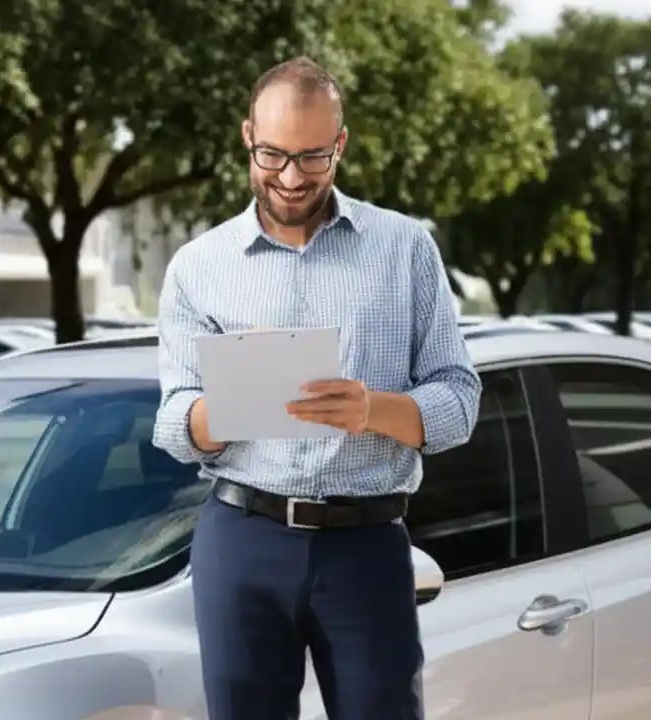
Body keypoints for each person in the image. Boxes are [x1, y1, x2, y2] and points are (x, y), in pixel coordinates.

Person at [151, 56, 481, 720]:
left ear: (341, 144)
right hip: (242, 538)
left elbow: (460, 400)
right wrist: (236, 401)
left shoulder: (406, 248)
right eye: (272, 156)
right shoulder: (198, 266)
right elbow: (171, 423)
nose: (292, 178)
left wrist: (374, 410)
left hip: (366, 544)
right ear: (248, 136)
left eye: (312, 158)